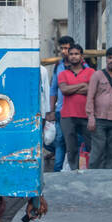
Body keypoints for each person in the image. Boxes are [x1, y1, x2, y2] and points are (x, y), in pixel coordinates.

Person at [57, 44, 94, 171]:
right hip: (68, 115)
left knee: (91, 146)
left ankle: (90, 171)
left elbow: (91, 90)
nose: (73, 56)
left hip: (86, 114)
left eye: (76, 54)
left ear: (82, 56)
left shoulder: (91, 72)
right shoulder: (63, 73)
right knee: (71, 147)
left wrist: (72, 88)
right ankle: (73, 172)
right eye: (71, 54)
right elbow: (64, 90)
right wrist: (82, 85)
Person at [47, 35, 74, 171]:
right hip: (60, 111)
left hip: (76, 113)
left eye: (67, 49)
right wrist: (51, 110)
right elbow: (53, 89)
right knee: (59, 141)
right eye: (62, 48)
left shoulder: (83, 66)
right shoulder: (59, 66)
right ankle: (57, 172)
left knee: (75, 143)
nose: (64, 52)